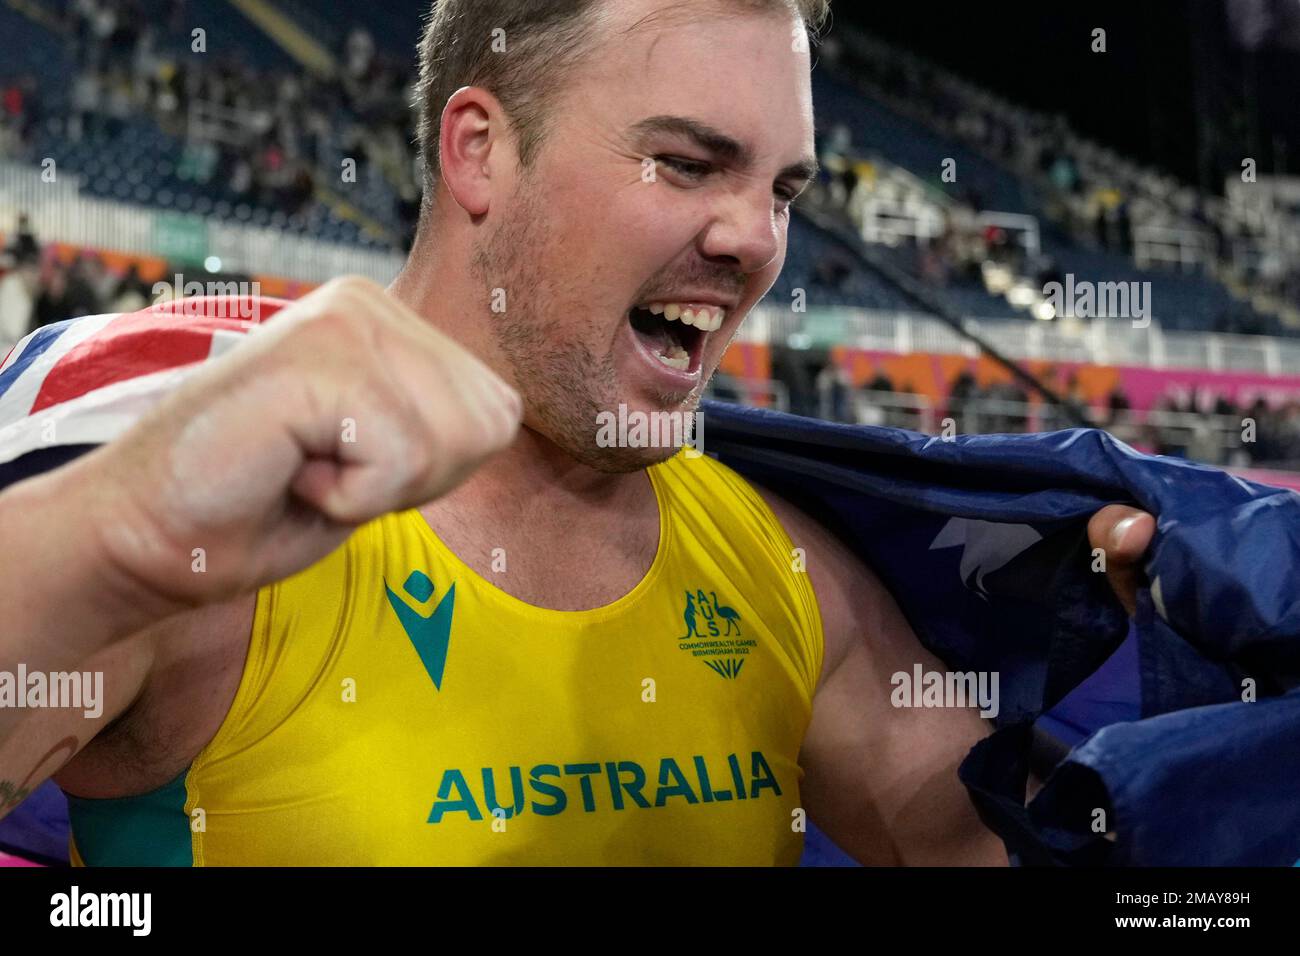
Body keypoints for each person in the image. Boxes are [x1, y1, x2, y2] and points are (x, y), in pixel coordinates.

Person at [0, 0, 1154, 866]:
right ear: (479, 152)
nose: (756, 240)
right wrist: (114, 530)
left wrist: (1194, 659)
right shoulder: (202, 503)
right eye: (688, 163)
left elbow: (1003, 851)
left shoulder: (786, 565)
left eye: (784, 190)